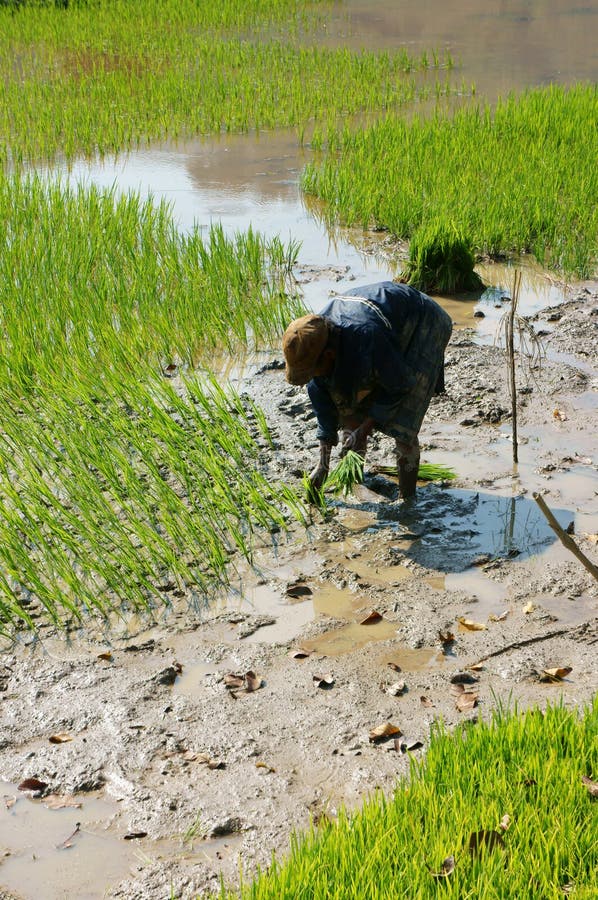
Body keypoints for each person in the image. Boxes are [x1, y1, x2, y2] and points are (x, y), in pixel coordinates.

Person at [282, 281, 452, 500]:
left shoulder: (365, 338)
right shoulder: (313, 347)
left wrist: (365, 429)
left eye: (313, 371)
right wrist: (322, 465)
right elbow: (326, 409)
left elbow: (400, 385)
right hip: (381, 330)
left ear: (329, 355)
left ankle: (407, 500)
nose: (313, 377)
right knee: (347, 407)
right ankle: (353, 481)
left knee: (403, 424)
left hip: (422, 322)